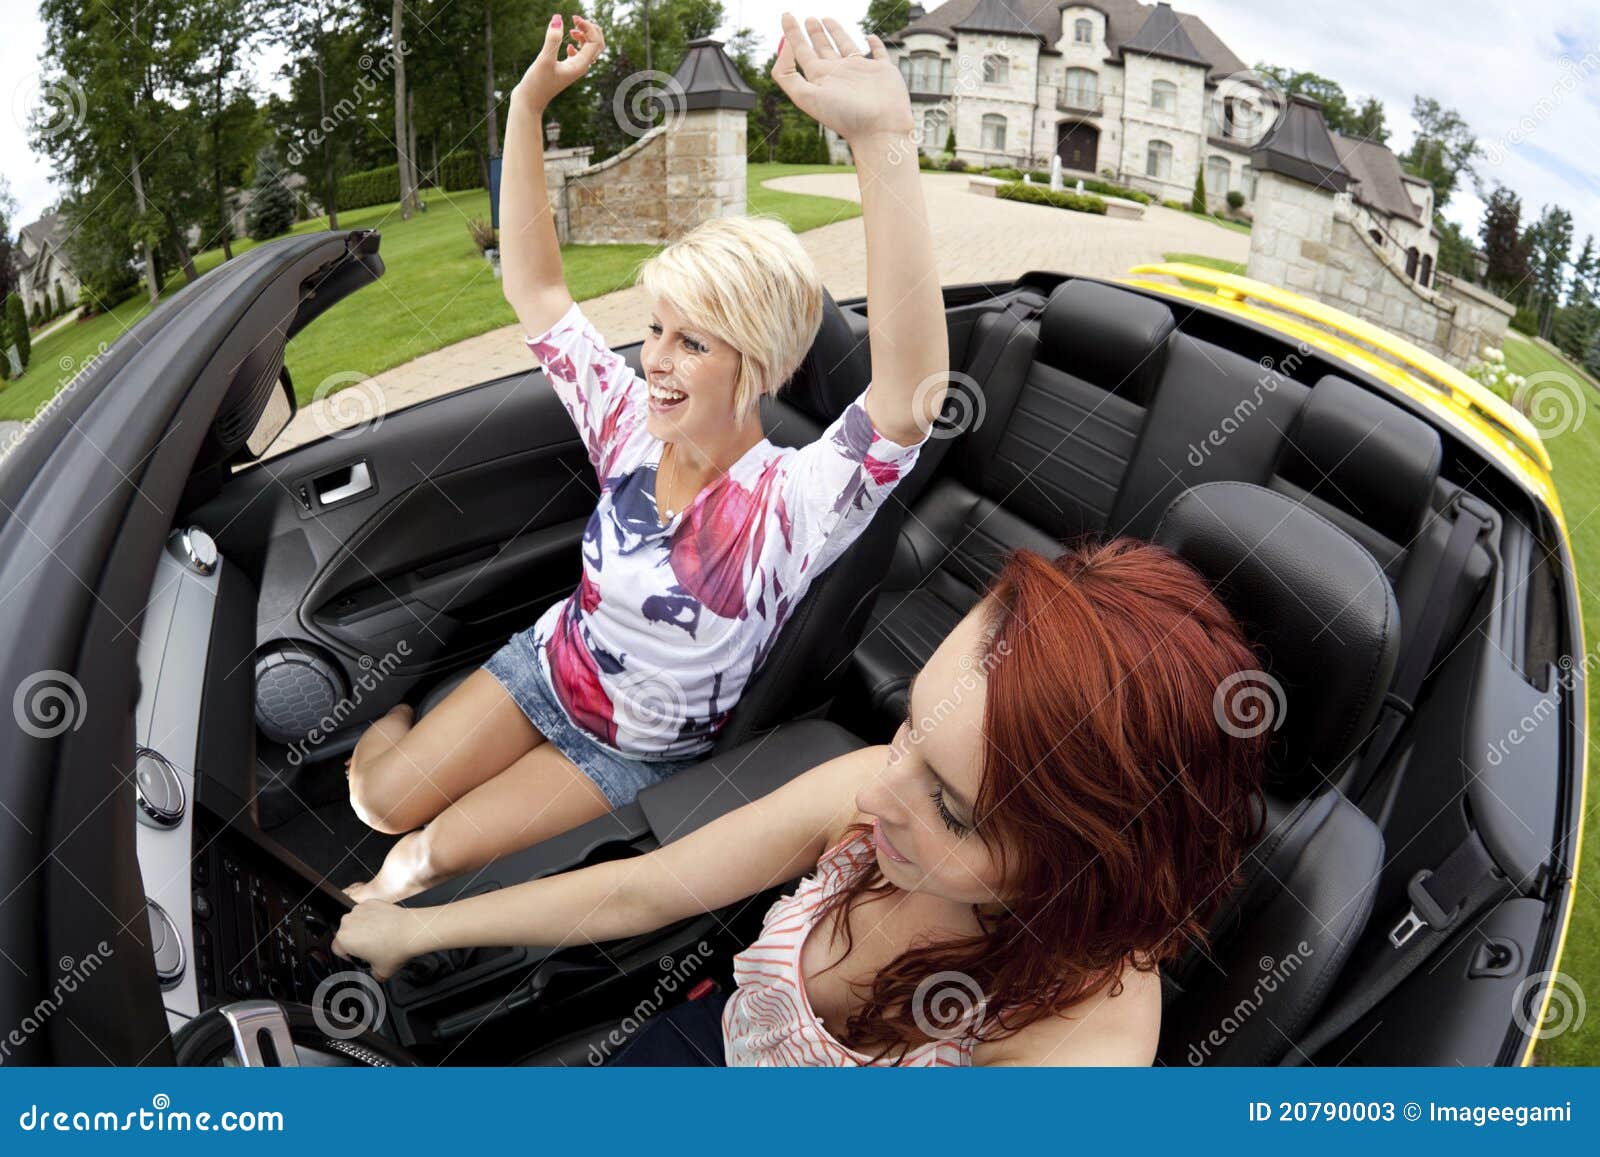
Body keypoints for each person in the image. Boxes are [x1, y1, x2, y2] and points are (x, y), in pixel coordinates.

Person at [344, 13, 949, 903]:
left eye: (694, 343)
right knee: (373, 799)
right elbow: (537, 289)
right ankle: (394, 719)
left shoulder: (793, 501)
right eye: (655, 327)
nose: (655, 359)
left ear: (761, 363)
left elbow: (907, 399)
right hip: (547, 664)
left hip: (623, 748)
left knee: (419, 860)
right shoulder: (630, 421)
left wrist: (885, 140)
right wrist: (527, 102)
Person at [332, 539, 1270, 1066]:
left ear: (1084, 865)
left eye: (952, 810)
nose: (876, 791)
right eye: (911, 731)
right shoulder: (877, 795)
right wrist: (415, 929)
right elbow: (644, 890)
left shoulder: (1079, 1055)